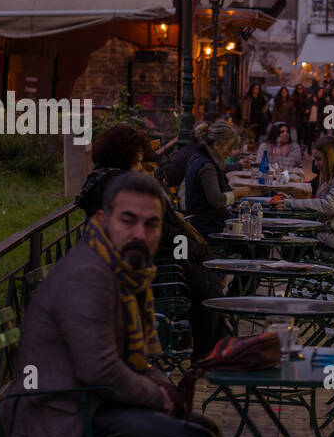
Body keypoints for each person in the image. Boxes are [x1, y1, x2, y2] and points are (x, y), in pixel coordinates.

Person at [4, 171, 334, 437]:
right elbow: (101, 370)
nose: (140, 233)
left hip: (90, 404)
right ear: (103, 220)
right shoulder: (88, 275)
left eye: (151, 224)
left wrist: (161, 385)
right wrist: (156, 396)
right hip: (61, 420)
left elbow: (125, 362)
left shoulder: (118, 268)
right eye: (128, 220)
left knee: (203, 430)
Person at [76, 125, 231, 356]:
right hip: (148, 268)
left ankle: (213, 351)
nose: (141, 168)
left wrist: (188, 247)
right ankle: (213, 354)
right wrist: (190, 247)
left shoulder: (106, 180)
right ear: (124, 157)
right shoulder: (119, 184)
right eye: (139, 161)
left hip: (155, 259)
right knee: (205, 283)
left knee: (204, 278)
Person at [271, 134, 334, 257]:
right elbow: (322, 204)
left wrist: (291, 204)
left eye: (319, 159)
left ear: (331, 158)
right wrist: (291, 201)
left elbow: (329, 206)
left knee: (291, 248)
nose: (315, 164)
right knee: (290, 244)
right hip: (332, 236)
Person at [181, 120, 255, 237]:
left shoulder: (199, 157)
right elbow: (217, 200)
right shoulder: (207, 166)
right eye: (229, 148)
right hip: (207, 229)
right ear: (216, 145)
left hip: (202, 223)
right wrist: (238, 193)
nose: (230, 153)